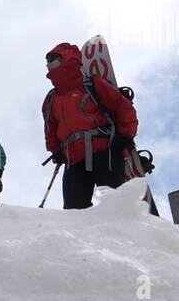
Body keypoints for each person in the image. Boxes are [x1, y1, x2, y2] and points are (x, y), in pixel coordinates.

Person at [42, 43, 138, 209]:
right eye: (47, 61)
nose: (48, 64)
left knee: (113, 204)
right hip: (73, 159)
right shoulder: (51, 100)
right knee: (73, 211)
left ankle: (121, 233)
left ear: (66, 58)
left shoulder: (92, 84)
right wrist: (56, 150)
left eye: (52, 59)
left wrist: (125, 135)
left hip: (104, 150)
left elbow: (122, 107)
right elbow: (50, 129)